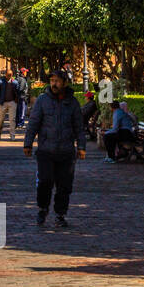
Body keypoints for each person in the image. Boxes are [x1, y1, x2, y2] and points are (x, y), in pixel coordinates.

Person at [23, 70, 86, 228]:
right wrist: (28, 143)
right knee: (45, 181)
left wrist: (82, 146)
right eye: (52, 80)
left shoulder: (72, 102)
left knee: (64, 185)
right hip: (46, 150)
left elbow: (79, 127)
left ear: (64, 83)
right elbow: (34, 123)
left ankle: (60, 213)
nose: (54, 84)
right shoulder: (43, 100)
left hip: (66, 151)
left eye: (57, 81)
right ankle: (43, 208)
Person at [0, 69, 20, 141]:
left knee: (12, 119)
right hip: (3, 103)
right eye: (8, 75)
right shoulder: (1, 82)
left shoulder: (15, 82)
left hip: (12, 102)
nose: (10, 76)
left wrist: (16, 100)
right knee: (1, 119)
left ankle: (12, 135)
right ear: (5, 75)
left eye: (11, 75)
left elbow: (18, 92)